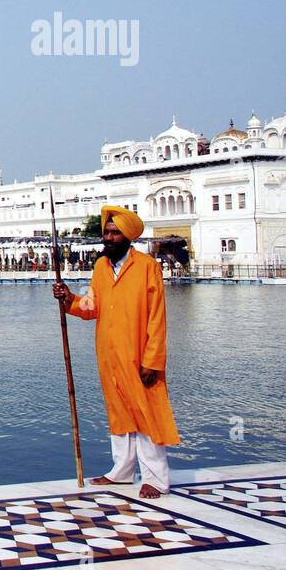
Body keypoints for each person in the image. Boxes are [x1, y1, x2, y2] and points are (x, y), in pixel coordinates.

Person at [53, 206, 179, 497]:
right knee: (119, 412)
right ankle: (121, 472)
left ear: (128, 236)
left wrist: (153, 360)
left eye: (114, 233)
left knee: (146, 413)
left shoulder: (146, 267)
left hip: (139, 354)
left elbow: (157, 317)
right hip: (109, 354)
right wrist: (68, 298)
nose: (108, 238)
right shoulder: (101, 267)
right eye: (106, 232)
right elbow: (92, 306)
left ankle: (155, 479)